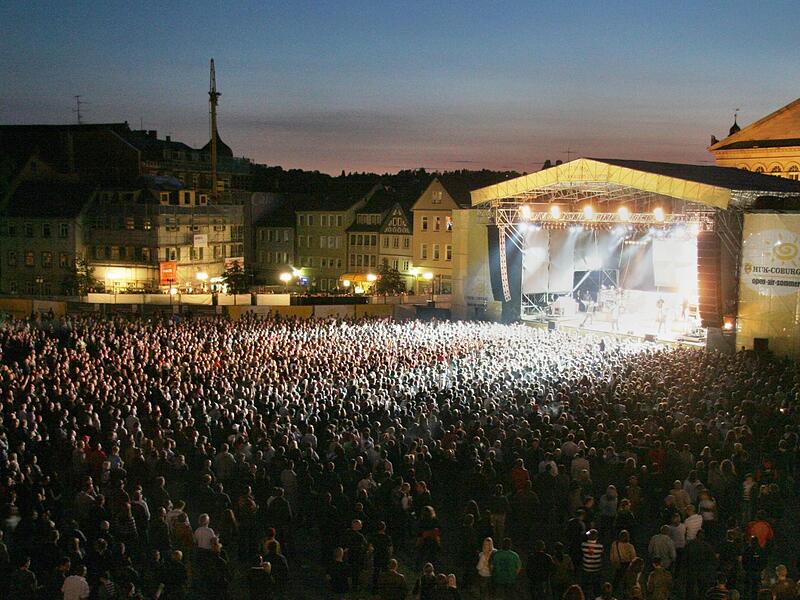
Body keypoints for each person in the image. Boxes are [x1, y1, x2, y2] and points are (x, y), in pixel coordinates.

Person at [581, 529, 604, 600]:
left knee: (585, 585)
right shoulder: (600, 546)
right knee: (596, 585)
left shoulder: (583, 545)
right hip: (596, 568)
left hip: (586, 567)